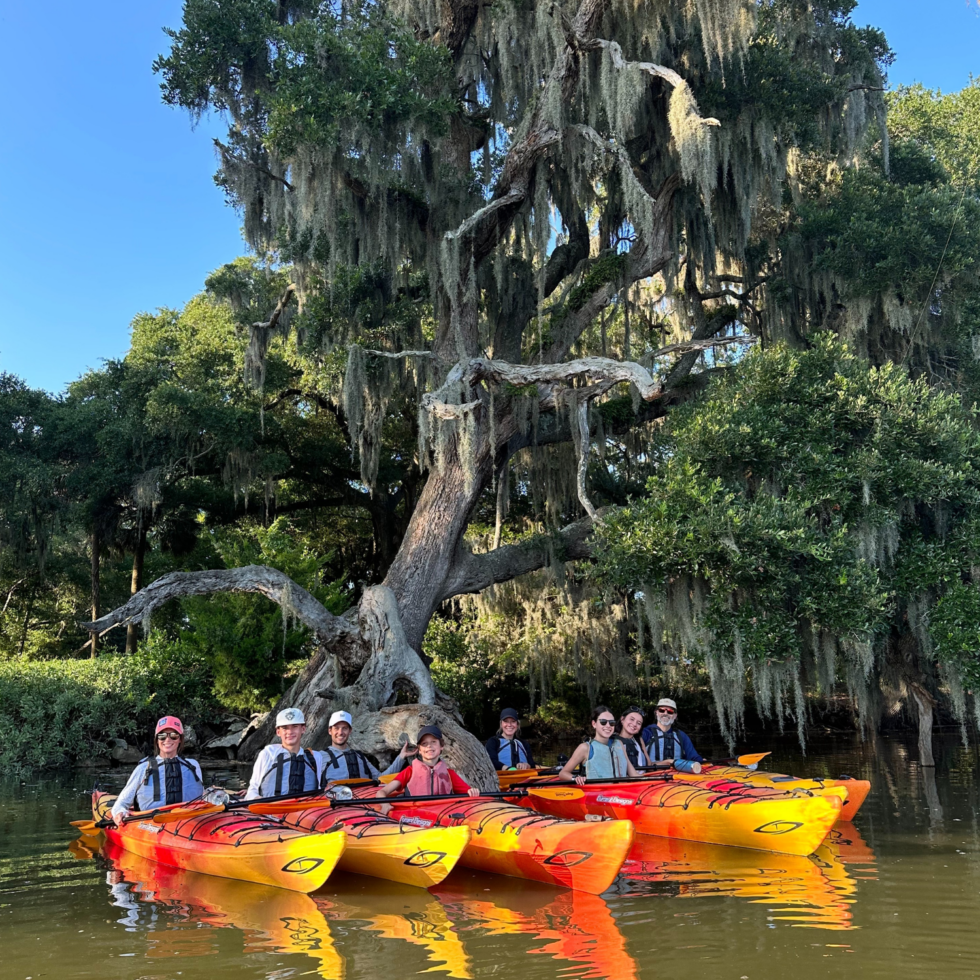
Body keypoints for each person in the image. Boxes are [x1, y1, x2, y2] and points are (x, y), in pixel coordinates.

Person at [111, 716, 204, 825]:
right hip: (151, 825)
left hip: (190, 822)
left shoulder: (193, 765)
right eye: (162, 736)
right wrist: (120, 812)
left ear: (180, 739)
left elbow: (201, 795)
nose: (168, 740)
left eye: (173, 735)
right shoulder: (144, 768)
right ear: (157, 740)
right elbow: (121, 803)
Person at [374, 725, 480, 814]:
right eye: (424, 744)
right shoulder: (410, 771)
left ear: (441, 746)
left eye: (433, 742)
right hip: (414, 817)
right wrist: (385, 805)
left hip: (441, 816)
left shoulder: (449, 774)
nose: (429, 746)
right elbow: (382, 792)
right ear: (419, 750)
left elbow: (469, 793)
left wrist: (472, 791)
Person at [245, 707, 329, 800]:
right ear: (278, 732)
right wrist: (257, 799)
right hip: (271, 811)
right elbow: (252, 790)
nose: (290, 732)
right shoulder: (268, 754)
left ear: (303, 729)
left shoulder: (315, 757)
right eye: (285, 728)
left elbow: (321, 789)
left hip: (305, 811)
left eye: (295, 726)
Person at [557, 706, 642, 785]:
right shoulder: (585, 748)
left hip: (621, 792)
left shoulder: (619, 744)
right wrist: (575, 778)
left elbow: (633, 774)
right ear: (594, 724)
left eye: (611, 723)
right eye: (603, 722)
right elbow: (563, 773)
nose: (608, 726)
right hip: (597, 794)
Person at [321, 709, 414, 781]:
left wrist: (401, 757)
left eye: (344, 728)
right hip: (334, 804)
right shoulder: (319, 757)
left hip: (362, 803)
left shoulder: (359, 757)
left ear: (350, 731)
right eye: (336, 728)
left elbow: (381, 778)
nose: (340, 732)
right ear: (330, 731)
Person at [641, 698, 703, 771]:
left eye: (670, 711)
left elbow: (694, 758)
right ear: (656, 712)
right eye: (662, 710)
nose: (665, 713)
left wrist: (703, 762)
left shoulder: (681, 736)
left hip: (677, 778)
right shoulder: (646, 733)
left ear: (675, 716)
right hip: (651, 777)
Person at [614, 705, 650, 769]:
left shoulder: (639, 740)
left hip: (642, 777)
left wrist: (669, 762)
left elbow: (649, 765)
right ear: (622, 719)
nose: (634, 724)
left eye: (638, 723)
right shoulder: (612, 740)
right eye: (632, 719)